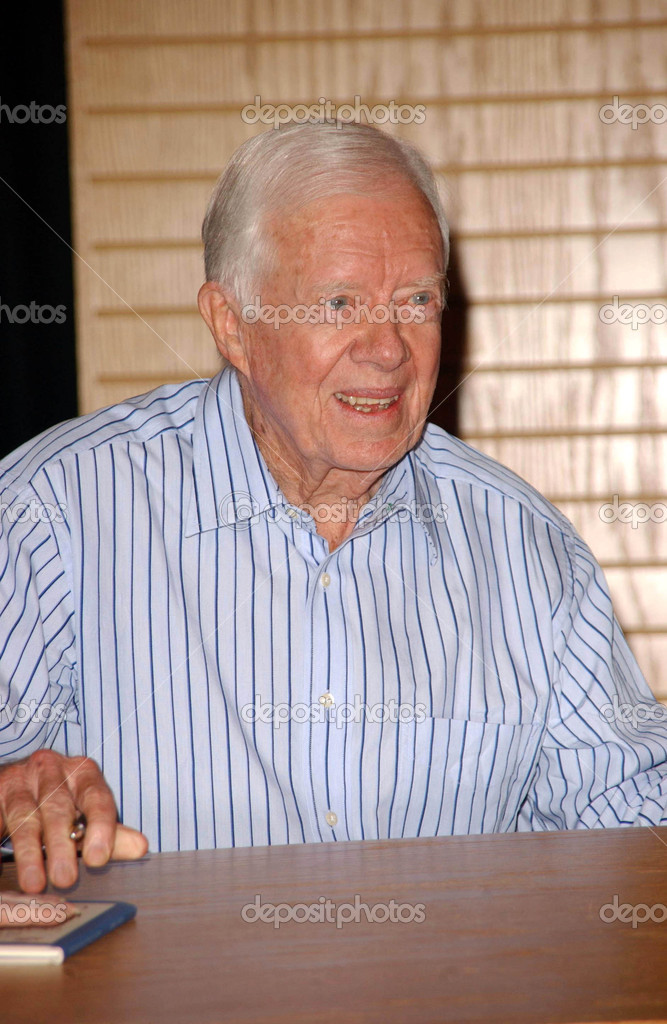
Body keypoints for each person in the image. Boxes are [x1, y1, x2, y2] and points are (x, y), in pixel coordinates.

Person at [1, 120, 666, 896]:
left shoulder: (526, 548)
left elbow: (631, 823)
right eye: (339, 302)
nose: (387, 347)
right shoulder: (55, 514)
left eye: (416, 299)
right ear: (231, 325)